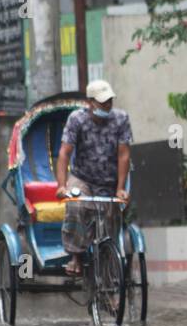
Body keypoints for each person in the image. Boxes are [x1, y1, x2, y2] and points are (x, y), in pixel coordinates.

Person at [55, 79, 132, 277]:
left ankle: (111, 280)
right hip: (83, 178)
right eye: (102, 102)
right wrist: (62, 186)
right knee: (75, 205)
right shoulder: (77, 119)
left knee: (111, 222)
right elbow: (64, 153)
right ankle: (76, 256)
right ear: (90, 103)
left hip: (110, 180)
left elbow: (123, 154)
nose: (108, 105)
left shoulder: (121, 119)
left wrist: (121, 188)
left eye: (110, 101)